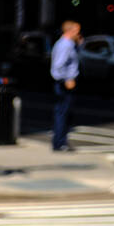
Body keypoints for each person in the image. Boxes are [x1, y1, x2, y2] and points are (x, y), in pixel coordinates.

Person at [50, 20, 81, 152]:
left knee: (62, 112)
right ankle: (60, 143)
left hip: (63, 82)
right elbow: (58, 65)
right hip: (64, 83)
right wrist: (67, 79)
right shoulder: (66, 45)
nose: (79, 34)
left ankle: (59, 141)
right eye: (77, 31)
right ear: (70, 31)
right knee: (63, 113)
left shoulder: (64, 43)